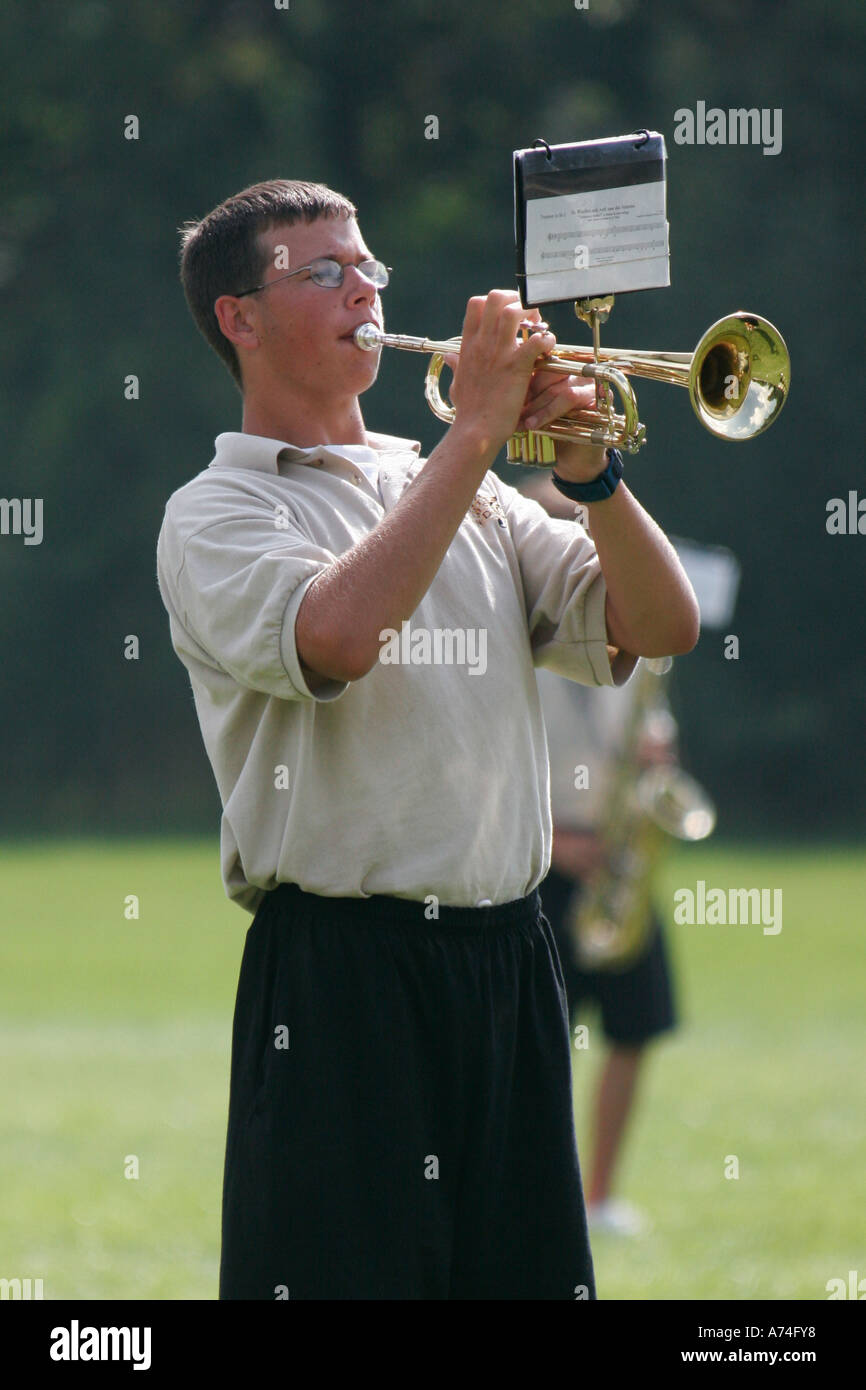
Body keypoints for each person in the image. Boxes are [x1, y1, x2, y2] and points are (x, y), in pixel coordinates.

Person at [156, 178, 699, 1300]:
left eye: (367, 266)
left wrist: (593, 477)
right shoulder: (216, 511)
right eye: (323, 271)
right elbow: (339, 635)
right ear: (238, 318)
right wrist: (472, 435)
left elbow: (660, 624)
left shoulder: (471, 494)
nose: (365, 288)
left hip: (508, 963)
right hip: (344, 980)